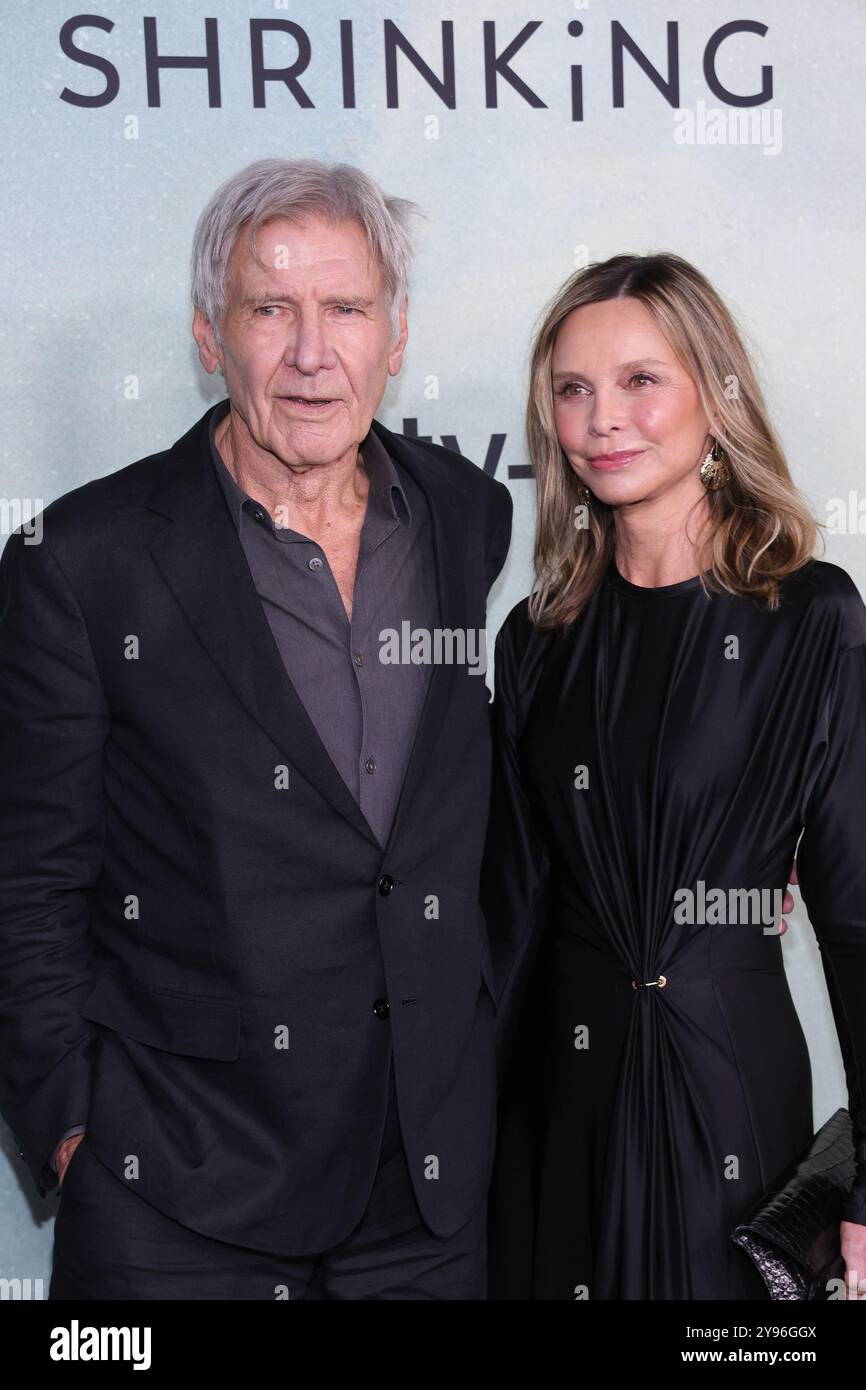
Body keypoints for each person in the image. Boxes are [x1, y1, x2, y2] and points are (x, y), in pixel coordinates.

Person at [0, 158, 511, 1300]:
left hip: (423, 1199)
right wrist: (75, 1133)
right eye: (269, 308)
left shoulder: (464, 515)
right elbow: (28, 879)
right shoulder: (85, 562)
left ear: (396, 333)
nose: (310, 352)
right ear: (206, 336)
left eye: (345, 308)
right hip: (178, 1193)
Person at [483, 252, 866, 1300]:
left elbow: (855, 919)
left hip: (727, 1088)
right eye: (571, 388)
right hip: (553, 1105)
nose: (602, 417)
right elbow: (510, 922)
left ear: (714, 395)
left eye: (639, 380)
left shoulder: (812, 619)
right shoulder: (535, 641)